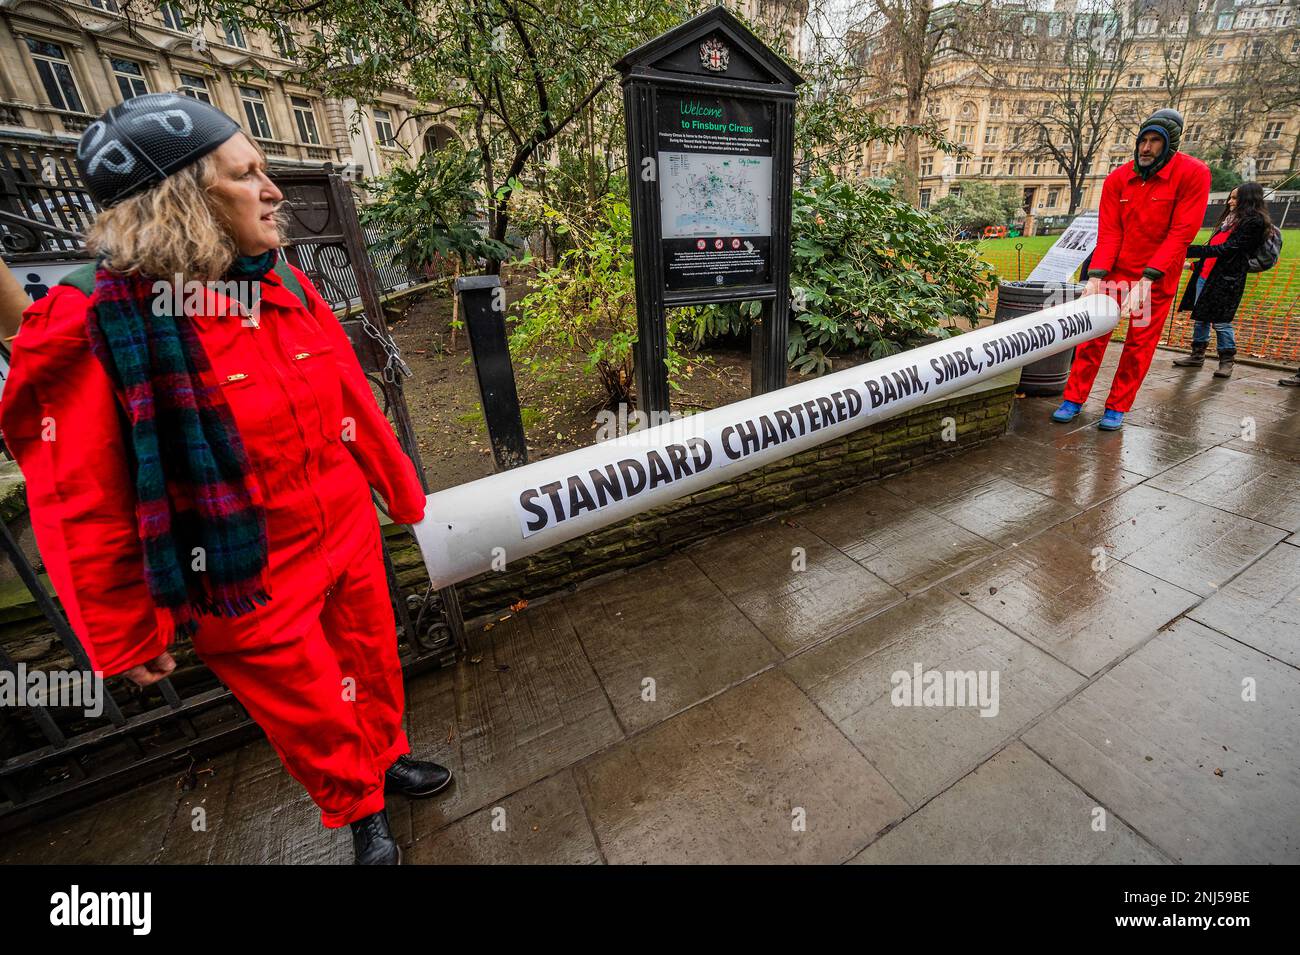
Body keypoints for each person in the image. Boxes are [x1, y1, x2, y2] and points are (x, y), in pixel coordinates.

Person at [0, 93, 450, 865]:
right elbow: (80, 494)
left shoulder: (283, 283)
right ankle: (359, 809)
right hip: (242, 575)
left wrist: (400, 490)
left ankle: (387, 755)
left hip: (343, 530)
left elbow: (349, 394)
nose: (274, 191)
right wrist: (117, 633)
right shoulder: (93, 323)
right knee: (312, 710)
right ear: (185, 201)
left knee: (372, 664)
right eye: (249, 175)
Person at [1051, 108, 1211, 430]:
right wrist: (1096, 277)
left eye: (1155, 142)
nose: (1146, 148)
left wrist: (1148, 279)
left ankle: (1117, 406)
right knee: (1092, 337)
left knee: (1139, 345)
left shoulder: (1193, 174)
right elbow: (1110, 232)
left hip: (1157, 277)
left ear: (1171, 145)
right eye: (1143, 140)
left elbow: (1182, 232)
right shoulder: (1117, 179)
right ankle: (1074, 397)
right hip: (1116, 272)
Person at [1172, 183, 1272, 379]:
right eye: (1230, 197)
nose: (1229, 202)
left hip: (1227, 279)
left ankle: (1226, 361)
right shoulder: (1230, 220)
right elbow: (1215, 248)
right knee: (1200, 316)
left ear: (1248, 199)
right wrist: (1195, 265)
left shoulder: (1254, 222)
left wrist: (1189, 249)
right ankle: (1197, 355)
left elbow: (1228, 249)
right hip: (1206, 276)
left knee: (1221, 321)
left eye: (1234, 198)